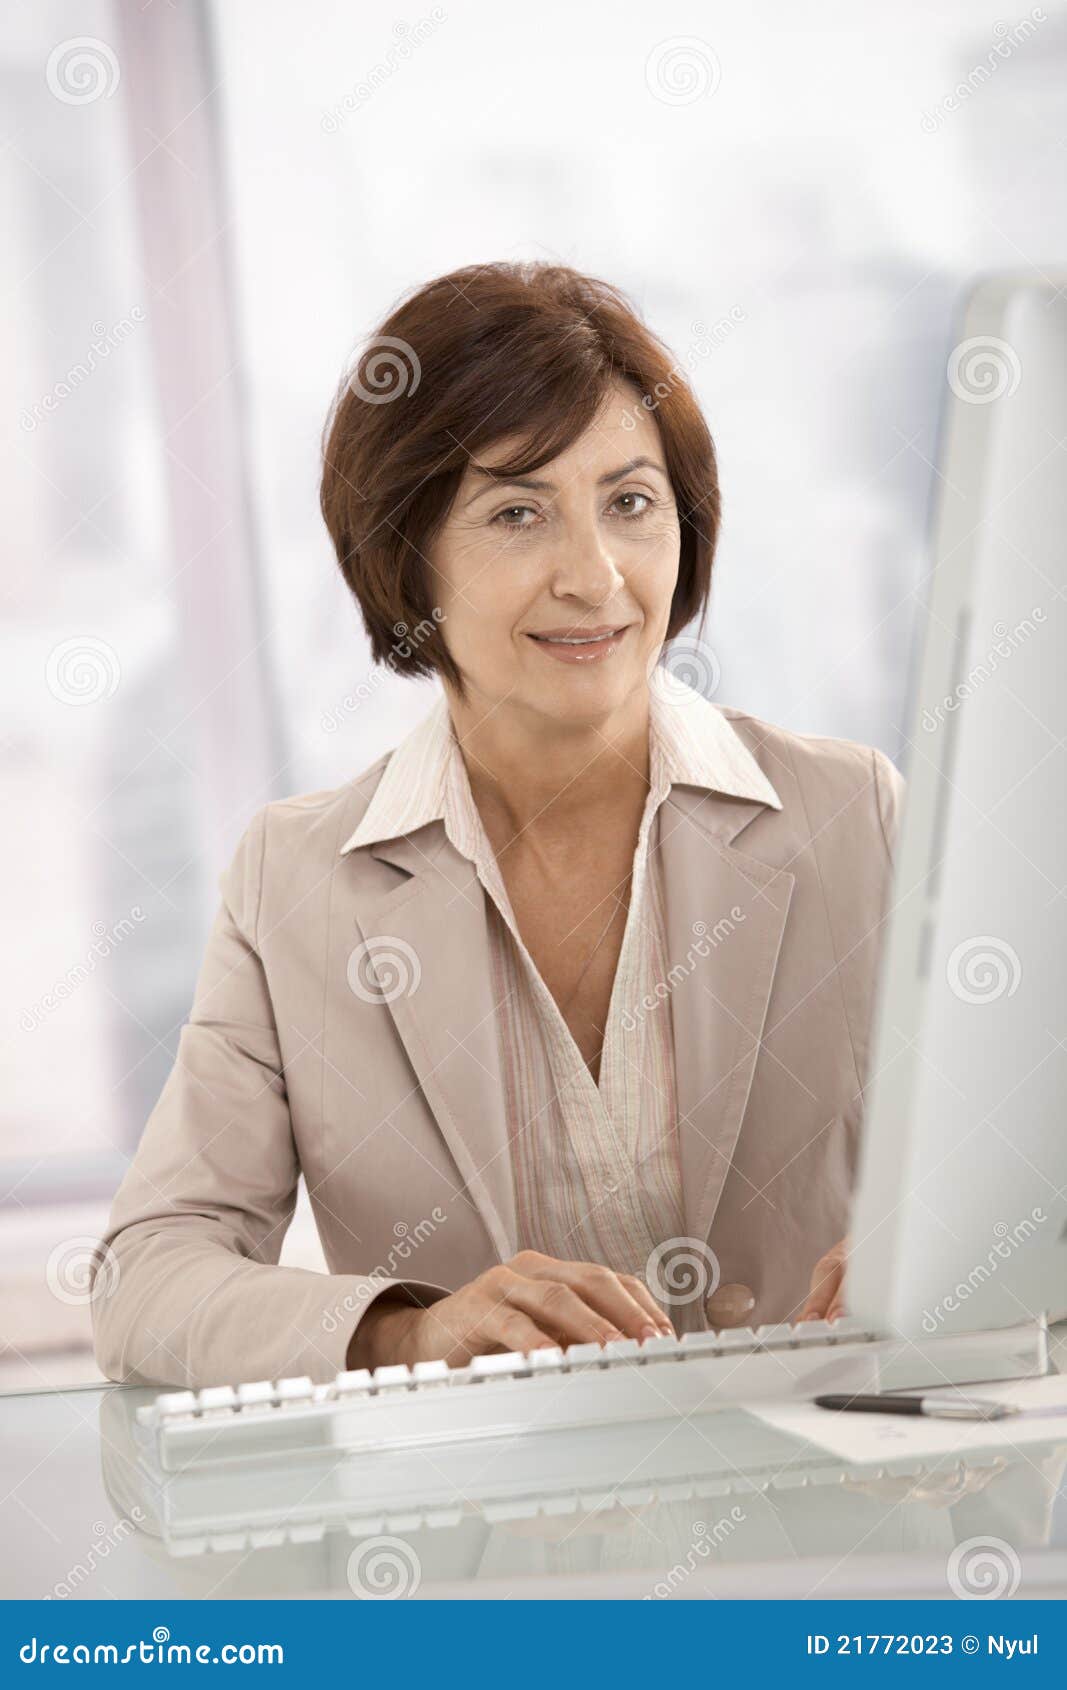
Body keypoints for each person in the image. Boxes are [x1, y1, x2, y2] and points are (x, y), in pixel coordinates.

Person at [92, 262, 903, 1388]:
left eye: (629, 502)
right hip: (479, 1555)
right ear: (405, 552)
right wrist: (407, 1333)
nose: (594, 575)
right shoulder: (299, 883)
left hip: (821, 1532)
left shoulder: (848, 817)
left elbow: (1026, 1163)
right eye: (517, 512)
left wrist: (932, 1269)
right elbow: (147, 1280)